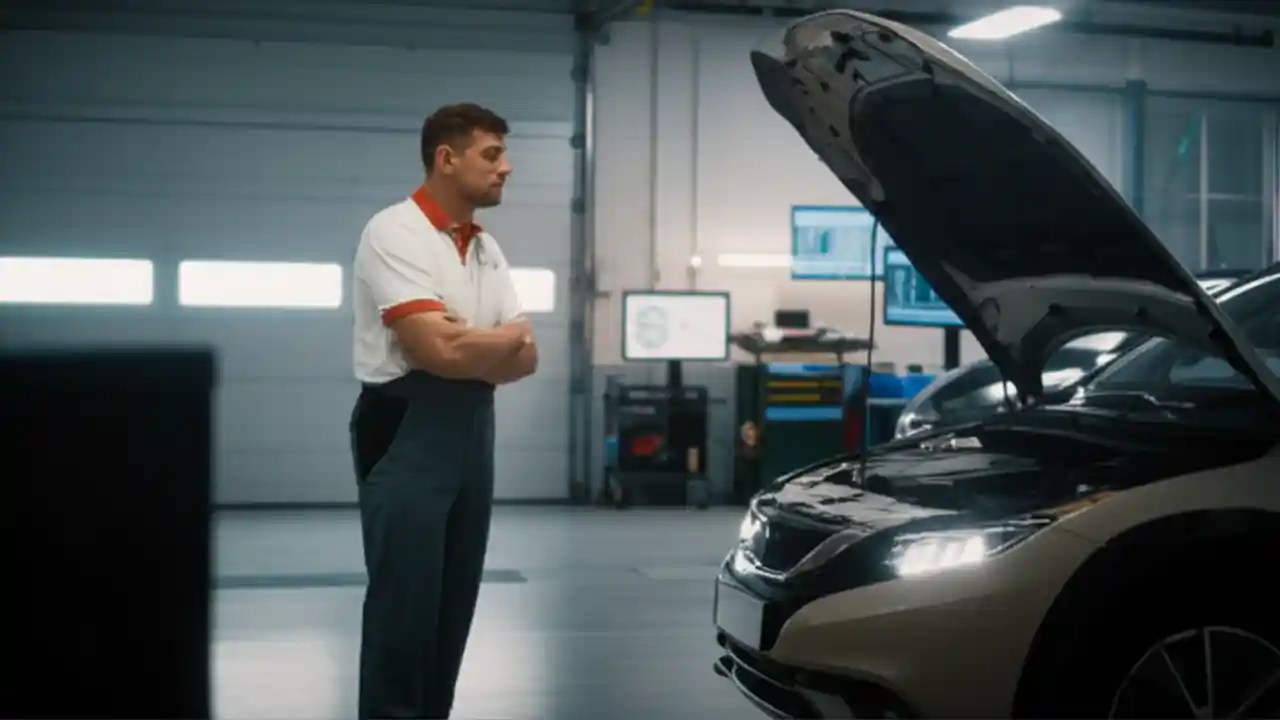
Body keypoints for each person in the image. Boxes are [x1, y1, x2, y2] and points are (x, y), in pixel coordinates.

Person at [348, 102, 538, 719]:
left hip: (471, 430)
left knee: (453, 607)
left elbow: (526, 357)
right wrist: (493, 339)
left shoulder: (486, 249)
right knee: (404, 612)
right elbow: (435, 348)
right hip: (407, 427)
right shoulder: (394, 232)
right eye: (492, 154)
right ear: (446, 157)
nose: (506, 168)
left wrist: (478, 345)